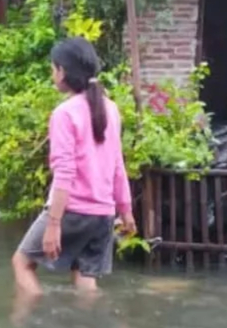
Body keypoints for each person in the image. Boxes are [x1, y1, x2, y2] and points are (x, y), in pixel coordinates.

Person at [12, 37, 136, 296]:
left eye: (53, 68)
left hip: (73, 211)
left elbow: (64, 173)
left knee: (22, 263)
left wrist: (54, 224)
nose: (51, 73)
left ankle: (30, 323)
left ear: (62, 72)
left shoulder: (65, 114)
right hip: (103, 213)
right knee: (85, 278)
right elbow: (117, 165)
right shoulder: (111, 109)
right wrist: (126, 211)